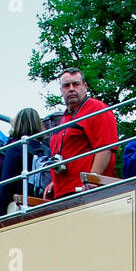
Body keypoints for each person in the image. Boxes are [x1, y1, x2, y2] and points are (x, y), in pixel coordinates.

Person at [44, 68, 118, 200]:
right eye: (66, 85)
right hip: (66, 194)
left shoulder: (97, 109)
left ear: (84, 87)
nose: (71, 89)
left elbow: (106, 147)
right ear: (61, 90)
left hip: (88, 193)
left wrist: (92, 179)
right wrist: (54, 183)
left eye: (76, 84)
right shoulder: (64, 118)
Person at [0, 108, 53, 217]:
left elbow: (7, 184)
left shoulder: (16, 148)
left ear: (18, 124)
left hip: (21, 204)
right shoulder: (46, 148)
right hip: (43, 203)